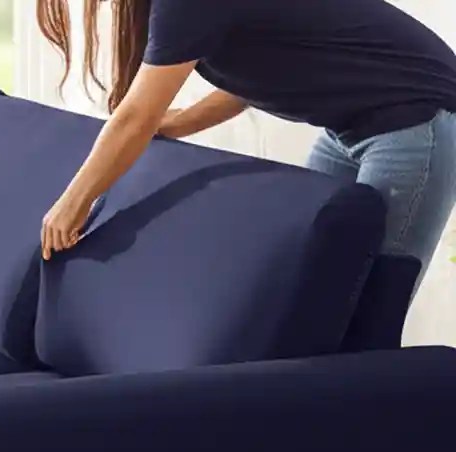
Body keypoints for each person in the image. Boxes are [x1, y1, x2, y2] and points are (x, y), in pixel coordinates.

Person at [38, 0, 456, 298]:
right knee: (313, 283)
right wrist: (182, 122)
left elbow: (136, 117)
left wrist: (72, 202)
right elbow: (268, 65)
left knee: (373, 301)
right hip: (346, 127)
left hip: (414, 119)